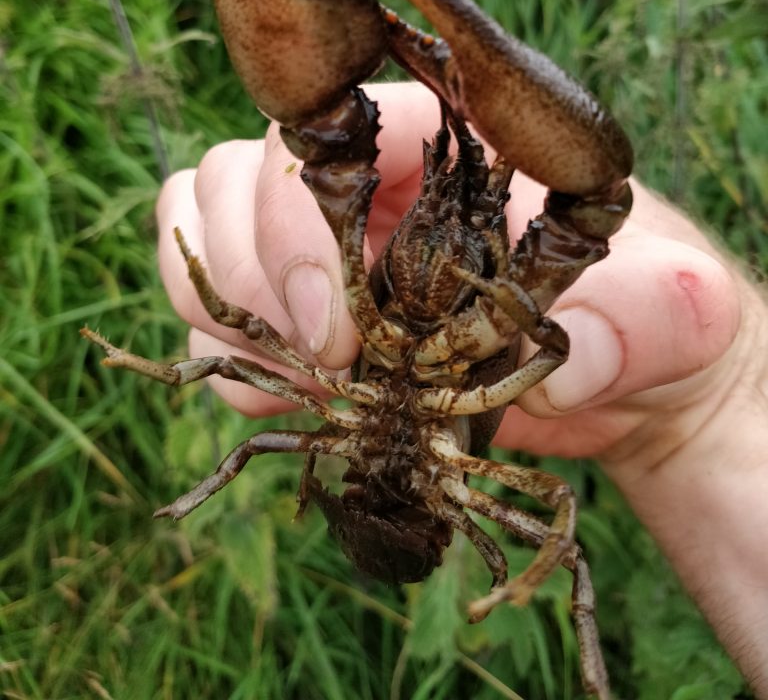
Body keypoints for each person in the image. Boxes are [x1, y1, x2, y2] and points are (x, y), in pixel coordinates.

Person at [156, 81, 768, 695]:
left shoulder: (459, 317)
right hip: (447, 432)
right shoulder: (387, 291)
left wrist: (721, 401)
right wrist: (713, 413)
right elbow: (550, 350)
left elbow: (551, 356)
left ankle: (595, 680)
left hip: (425, 470)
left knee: (568, 539)